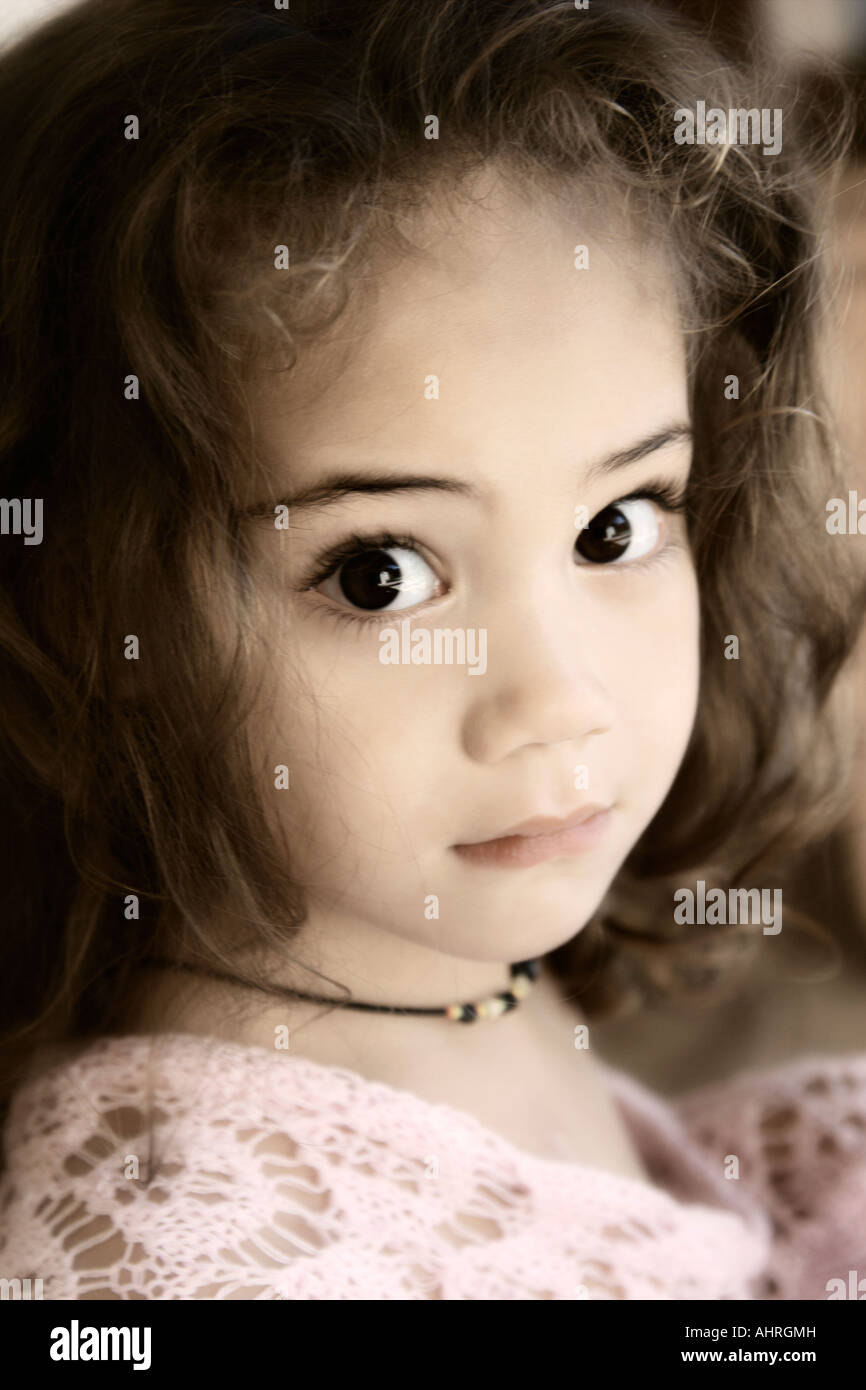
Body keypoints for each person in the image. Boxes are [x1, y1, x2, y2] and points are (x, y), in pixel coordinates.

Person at [1, 0, 864, 1301]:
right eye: (379, 573)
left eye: (613, 524)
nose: (554, 701)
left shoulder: (451, 977)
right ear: (80, 603)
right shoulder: (193, 1249)